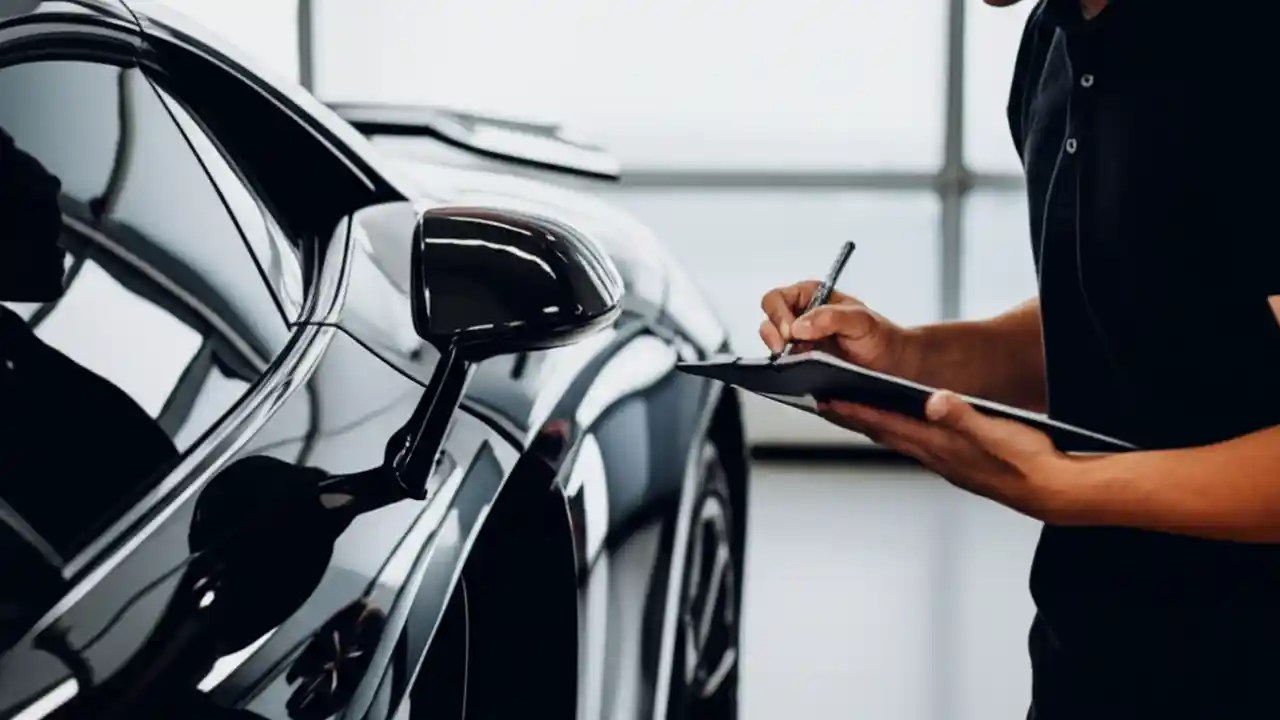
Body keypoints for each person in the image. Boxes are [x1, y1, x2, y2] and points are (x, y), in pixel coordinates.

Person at [761, 1, 1280, 717]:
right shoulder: (1049, 44)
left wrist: (1069, 490)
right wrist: (909, 355)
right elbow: (1133, 309)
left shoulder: (1253, 51)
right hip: (1088, 655)